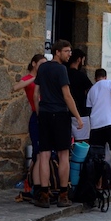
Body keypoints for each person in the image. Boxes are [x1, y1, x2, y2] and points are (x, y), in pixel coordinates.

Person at [33, 40, 83, 208]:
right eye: (67, 51)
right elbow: (67, 96)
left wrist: (40, 112)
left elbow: (35, 94)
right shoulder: (61, 69)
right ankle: (63, 194)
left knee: (44, 155)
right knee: (63, 155)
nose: (70, 54)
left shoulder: (42, 68)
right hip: (60, 114)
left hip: (45, 114)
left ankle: (44, 195)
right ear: (57, 52)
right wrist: (78, 117)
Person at [12, 53, 46, 194]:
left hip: (47, 115)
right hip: (36, 115)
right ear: (33, 64)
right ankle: (29, 180)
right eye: (40, 64)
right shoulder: (30, 78)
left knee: (43, 152)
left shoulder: (44, 78)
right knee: (38, 151)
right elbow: (16, 87)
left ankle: (35, 181)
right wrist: (34, 78)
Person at [87, 68, 111, 190]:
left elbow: (89, 108)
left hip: (96, 125)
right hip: (110, 122)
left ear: (95, 78)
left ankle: (98, 183)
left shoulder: (91, 90)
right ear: (105, 76)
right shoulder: (110, 83)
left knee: (98, 155)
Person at [67, 48, 92, 142]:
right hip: (81, 112)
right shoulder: (81, 76)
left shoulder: (64, 73)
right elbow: (91, 90)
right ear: (79, 59)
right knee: (82, 143)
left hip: (67, 113)